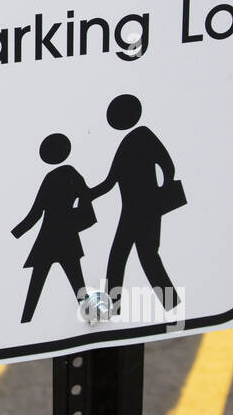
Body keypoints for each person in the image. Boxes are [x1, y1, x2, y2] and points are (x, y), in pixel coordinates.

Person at [89, 93, 186, 314]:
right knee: (132, 256)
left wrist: (160, 193)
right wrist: (87, 195)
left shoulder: (142, 136)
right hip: (133, 210)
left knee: (137, 255)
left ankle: (168, 305)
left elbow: (167, 165)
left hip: (145, 209)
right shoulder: (128, 142)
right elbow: (110, 182)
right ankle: (120, 307)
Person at [11, 133, 96, 323]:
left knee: (37, 284)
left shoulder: (51, 178)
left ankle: (25, 321)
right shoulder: (72, 173)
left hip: (49, 238)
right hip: (66, 235)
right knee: (77, 281)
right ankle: (91, 317)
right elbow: (88, 194)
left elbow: (35, 212)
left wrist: (15, 234)